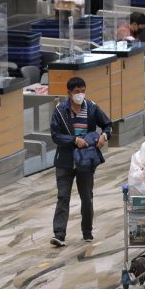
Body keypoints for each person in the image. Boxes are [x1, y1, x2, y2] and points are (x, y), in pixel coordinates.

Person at [50, 76, 112, 246]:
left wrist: (104, 136)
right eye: (77, 92)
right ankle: (59, 234)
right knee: (63, 196)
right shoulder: (60, 111)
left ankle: (87, 231)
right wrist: (74, 140)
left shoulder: (91, 108)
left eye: (83, 91)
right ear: (69, 93)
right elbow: (55, 136)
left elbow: (108, 124)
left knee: (86, 196)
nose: (80, 94)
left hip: (85, 159)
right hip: (65, 161)